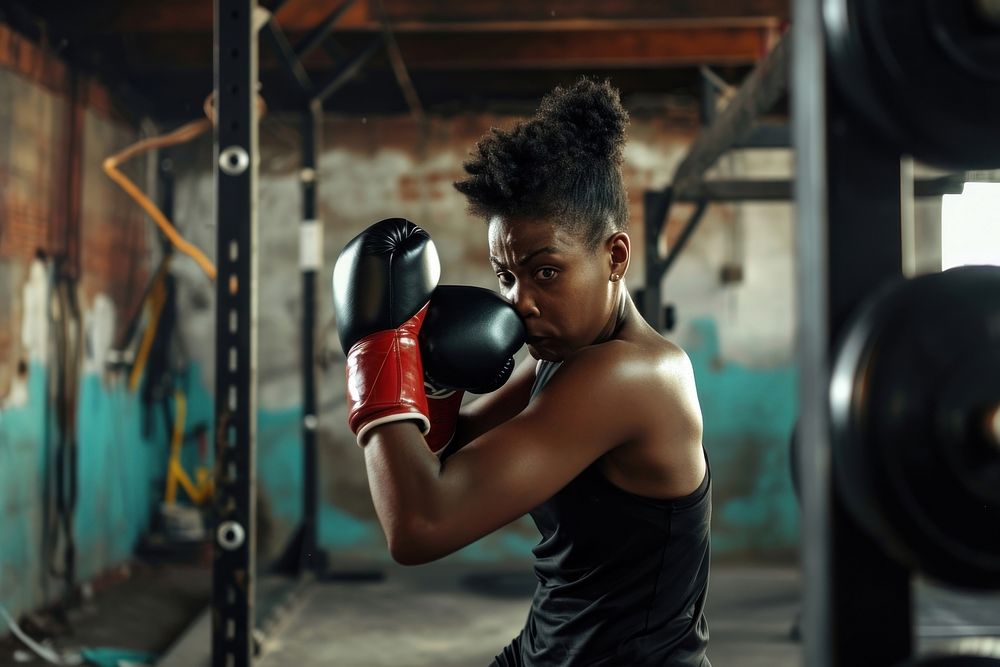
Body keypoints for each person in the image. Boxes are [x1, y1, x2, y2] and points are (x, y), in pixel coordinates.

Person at [335, 78, 711, 666]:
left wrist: (378, 349)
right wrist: (434, 376)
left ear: (615, 257)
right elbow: (445, 451)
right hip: (549, 650)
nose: (520, 303)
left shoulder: (633, 376)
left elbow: (420, 523)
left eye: (546, 273)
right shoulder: (562, 361)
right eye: (505, 274)